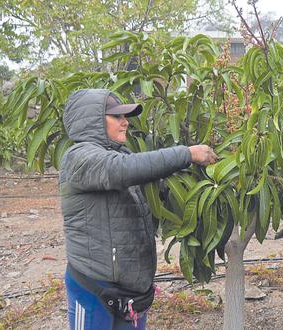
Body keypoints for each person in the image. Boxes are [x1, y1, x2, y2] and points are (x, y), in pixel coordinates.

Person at [60, 89, 217, 330]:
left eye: (125, 117)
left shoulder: (118, 154)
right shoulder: (79, 158)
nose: (125, 122)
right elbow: (125, 169)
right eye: (116, 117)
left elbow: (144, 185)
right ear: (92, 120)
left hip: (131, 289)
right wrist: (187, 154)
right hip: (95, 285)